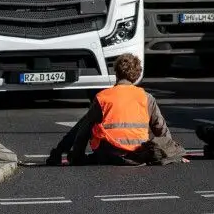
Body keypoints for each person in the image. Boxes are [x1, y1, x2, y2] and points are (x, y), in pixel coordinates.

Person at [46, 54, 188, 165]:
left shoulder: (103, 97)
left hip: (108, 153)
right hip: (138, 154)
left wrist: (76, 158)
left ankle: (59, 152)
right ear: (137, 76)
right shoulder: (147, 97)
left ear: (116, 73)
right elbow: (161, 129)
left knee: (89, 122)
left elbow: (83, 131)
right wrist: (172, 153)